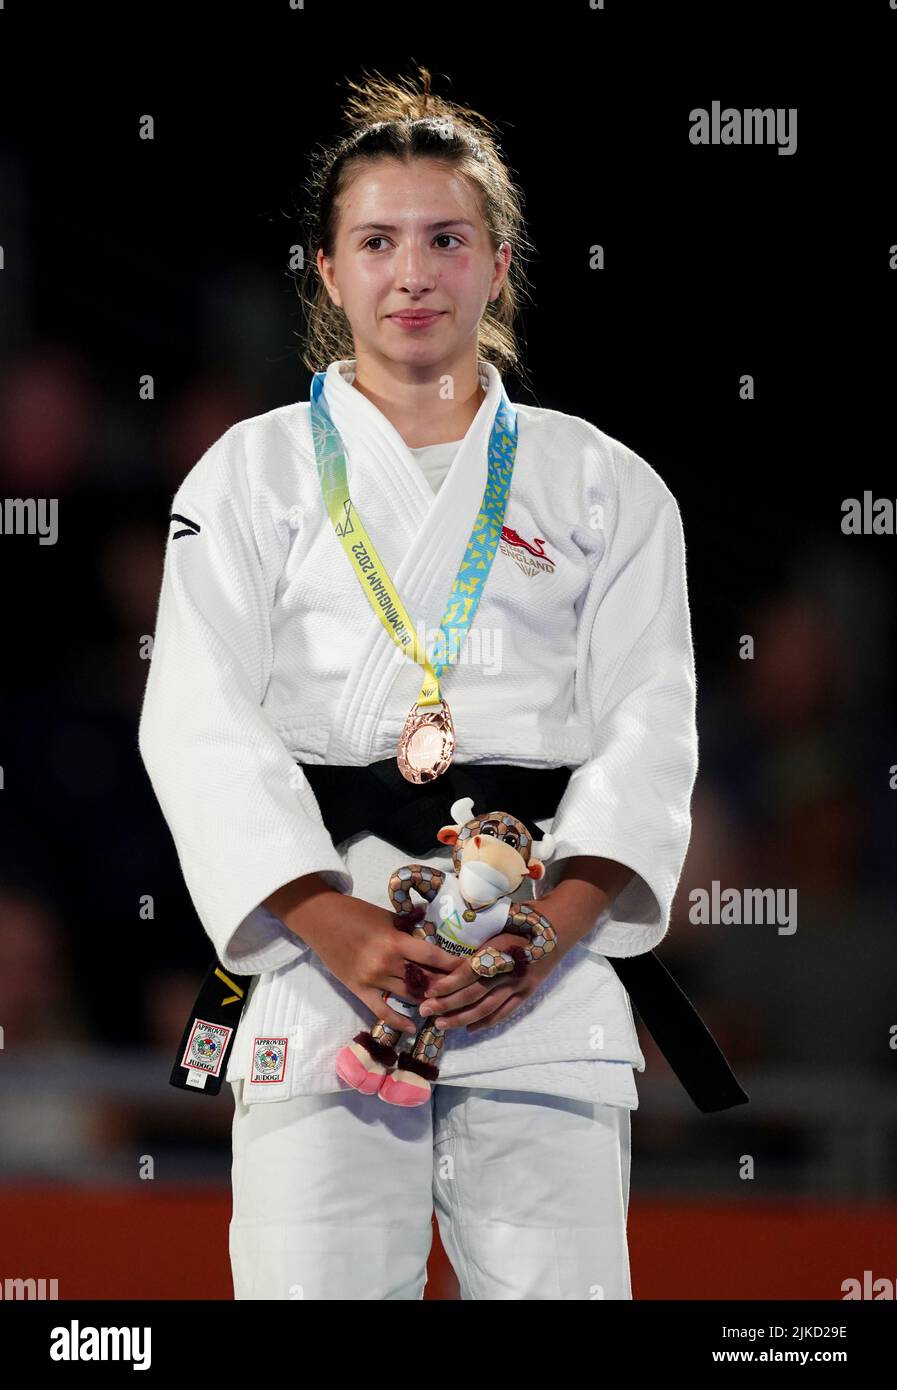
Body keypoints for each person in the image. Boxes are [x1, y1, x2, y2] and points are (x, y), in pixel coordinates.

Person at [138, 66, 698, 1300]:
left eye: (447, 239)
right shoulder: (249, 474)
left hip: (537, 954)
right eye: (377, 240)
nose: (412, 272)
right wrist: (335, 924)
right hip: (315, 946)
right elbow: (196, 723)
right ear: (328, 273)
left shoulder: (604, 482)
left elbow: (652, 732)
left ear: (498, 266)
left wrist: (542, 939)